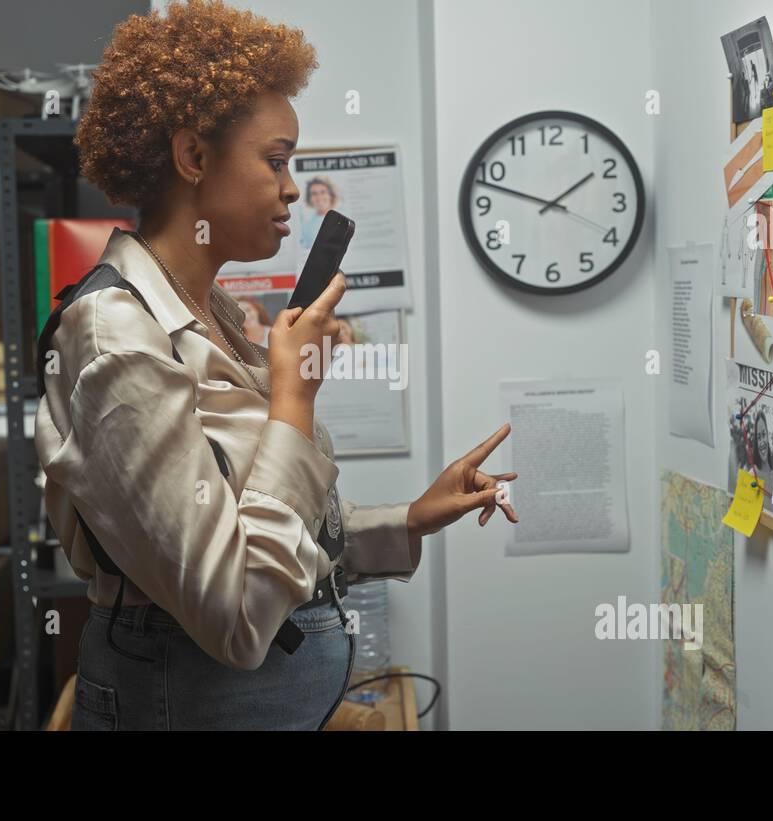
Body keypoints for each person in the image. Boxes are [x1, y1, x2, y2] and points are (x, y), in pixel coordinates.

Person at [38, 0, 518, 731]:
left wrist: (410, 519)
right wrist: (293, 398)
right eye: (276, 160)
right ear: (194, 157)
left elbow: (260, 526)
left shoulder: (212, 314)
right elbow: (235, 612)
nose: (293, 188)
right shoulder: (118, 337)